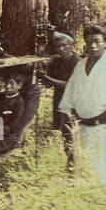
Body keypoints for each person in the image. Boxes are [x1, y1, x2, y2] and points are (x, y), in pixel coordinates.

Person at [59, 24, 106, 186]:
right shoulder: (80, 66)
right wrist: (69, 115)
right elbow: (72, 92)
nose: (93, 46)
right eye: (89, 42)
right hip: (85, 126)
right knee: (90, 167)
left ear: (105, 43)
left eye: (97, 41)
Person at [39, 31, 78, 170]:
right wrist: (44, 63)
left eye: (64, 46)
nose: (61, 49)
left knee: (73, 130)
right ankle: (71, 163)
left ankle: (74, 164)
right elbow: (46, 63)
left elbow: (69, 85)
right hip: (61, 101)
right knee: (66, 133)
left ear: (71, 46)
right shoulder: (58, 60)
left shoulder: (77, 62)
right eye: (58, 47)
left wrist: (47, 78)